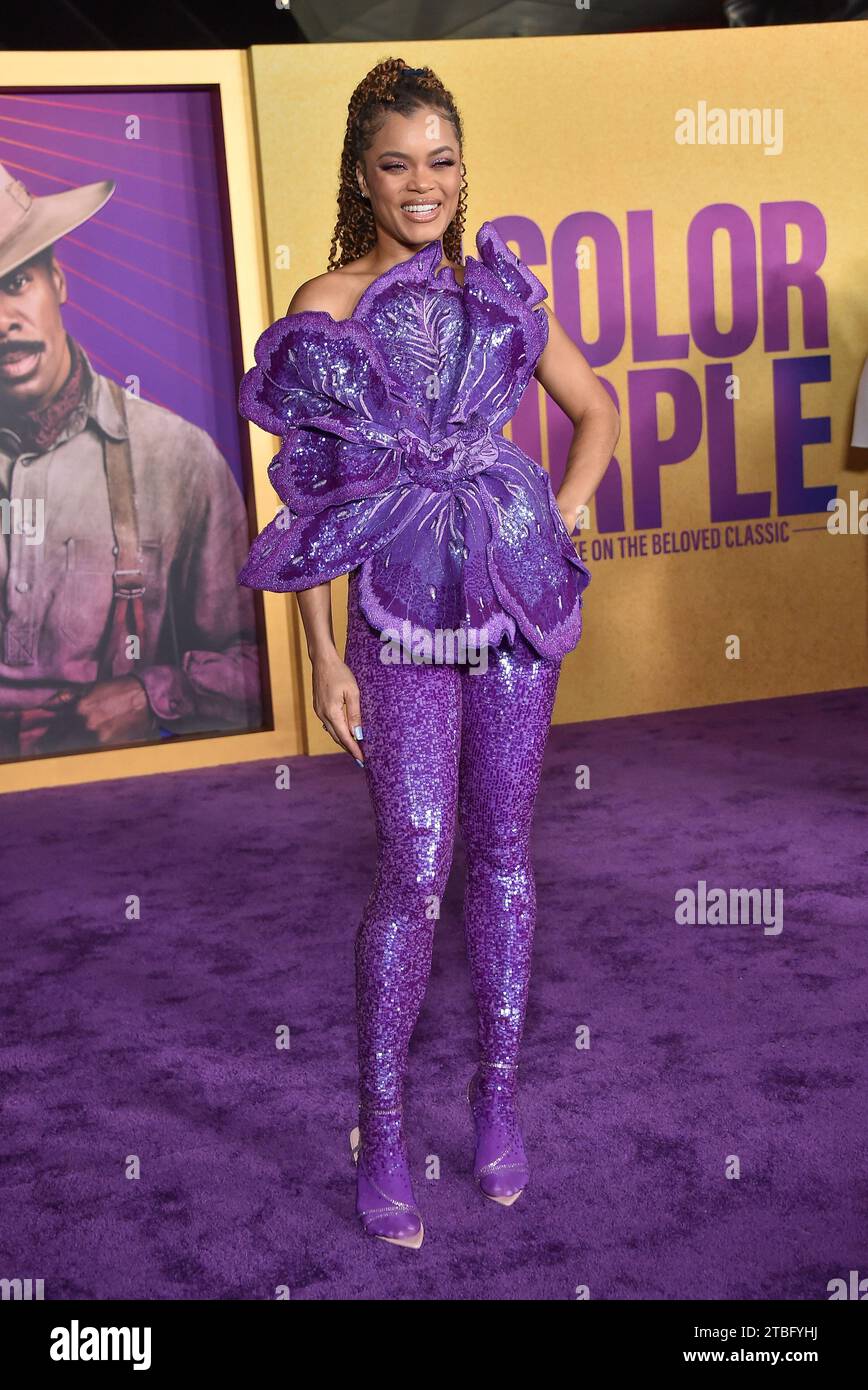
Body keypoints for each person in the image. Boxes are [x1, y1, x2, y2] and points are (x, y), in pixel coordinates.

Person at [237, 59, 619, 1249]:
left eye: (442, 160)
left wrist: (568, 502)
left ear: (464, 168)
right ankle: (383, 1129)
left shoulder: (494, 289)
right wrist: (321, 657)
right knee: (412, 865)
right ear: (360, 171)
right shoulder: (330, 300)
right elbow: (307, 497)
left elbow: (595, 407)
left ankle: (497, 1098)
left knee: (504, 849)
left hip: (511, 600)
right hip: (397, 616)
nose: (424, 183)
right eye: (398, 162)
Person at [0, 161, 262, 759]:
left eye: (16, 282)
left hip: (121, 796)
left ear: (57, 281)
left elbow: (262, 663)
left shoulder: (177, 459)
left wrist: (153, 695)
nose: (3, 322)